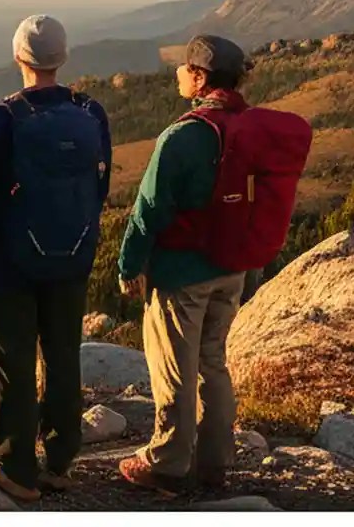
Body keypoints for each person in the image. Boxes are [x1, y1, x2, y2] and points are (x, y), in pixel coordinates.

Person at [0, 15, 112, 501]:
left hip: (8, 263)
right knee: (64, 354)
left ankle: (16, 468)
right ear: (62, 58)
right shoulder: (91, 112)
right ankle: (62, 459)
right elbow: (99, 185)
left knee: (14, 362)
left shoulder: (1, 117)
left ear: (18, 58)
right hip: (71, 255)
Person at [115, 36, 265, 494]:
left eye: (184, 68)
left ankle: (167, 463)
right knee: (212, 363)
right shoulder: (252, 129)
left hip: (183, 273)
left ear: (199, 78)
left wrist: (128, 264)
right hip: (231, 268)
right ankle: (213, 462)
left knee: (175, 368)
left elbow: (150, 209)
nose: (177, 73)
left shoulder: (184, 135)